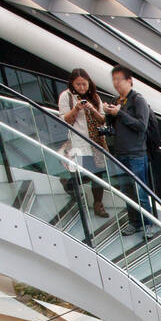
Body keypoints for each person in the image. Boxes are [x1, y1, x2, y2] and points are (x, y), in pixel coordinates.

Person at [103, 65, 153, 234]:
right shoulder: (117, 100)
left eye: (119, 80)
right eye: (114, 80)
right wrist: (109, 114)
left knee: (140, 192)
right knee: (127, 192)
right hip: (120, 153)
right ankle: (135, 222)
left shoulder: (138, 100)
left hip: (136, 154)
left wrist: (120, 114)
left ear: (129, 81)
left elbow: (141, 126)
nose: (116, 83)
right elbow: (115, 126)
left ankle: (149, 224)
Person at [57, 68, 109, 218]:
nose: (82, 88)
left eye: (84, 84)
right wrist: (76, 109)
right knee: (83, 173)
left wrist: (92, 109)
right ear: (72, 84)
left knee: (98, 174)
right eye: (78, 84)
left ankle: (98, 204)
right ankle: (69, 185)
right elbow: (64, 120)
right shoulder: (66, 96)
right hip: (79, 142)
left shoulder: (94, 96)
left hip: (97, 141)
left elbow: (102, 119)